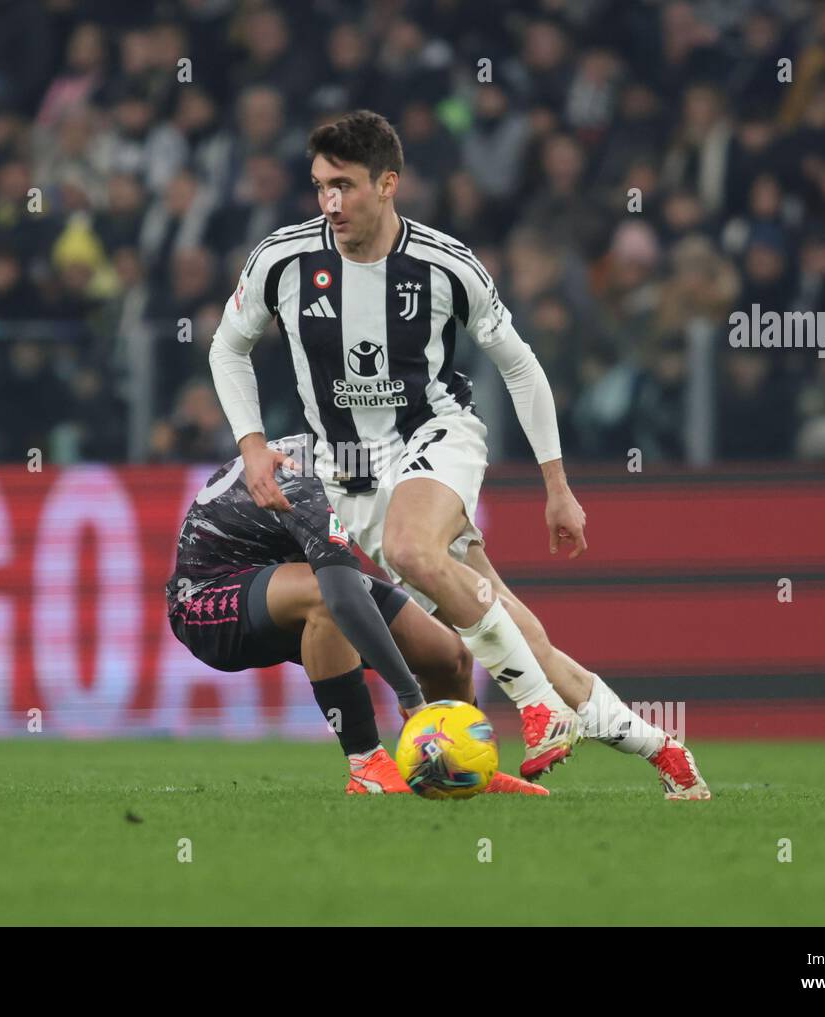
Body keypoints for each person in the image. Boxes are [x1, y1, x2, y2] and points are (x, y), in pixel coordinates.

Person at [208, 110, 708, 799]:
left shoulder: (445, 263)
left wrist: (556, 485)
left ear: (389, 183)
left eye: (346, 185)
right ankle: (663, 750)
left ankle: (539, 711)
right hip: (350, 476)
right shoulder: (283, 259)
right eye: (321, 185)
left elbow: (522, 367)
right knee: (511, 620)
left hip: (435, 435)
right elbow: (227, 346)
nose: (331, 203)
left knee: (416, 550)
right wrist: (252, 442)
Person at [166, 432, 546, 796]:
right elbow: (342, 598)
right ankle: (366, 764)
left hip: (281, 582)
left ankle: (462, 767)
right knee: (325, 597)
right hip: (205, 603)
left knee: (448, 656)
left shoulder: (354, 462)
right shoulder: (312, 483)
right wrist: (411, 697)